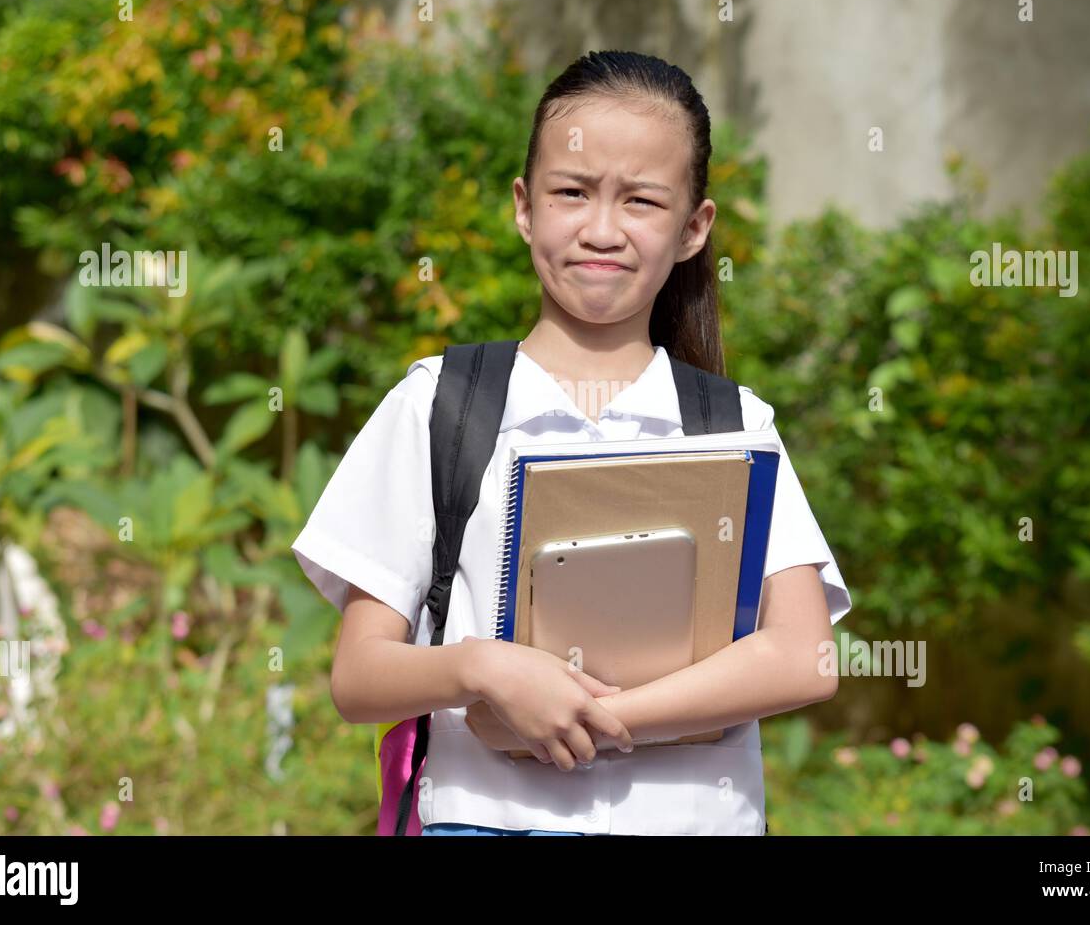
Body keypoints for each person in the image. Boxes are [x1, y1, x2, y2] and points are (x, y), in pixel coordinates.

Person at [292, 49, 852, 836]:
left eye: (642, 202)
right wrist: (482, 669)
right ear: (525, 207)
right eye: (572, 192)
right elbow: (358, 676)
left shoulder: (732, 424)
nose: (601, 229)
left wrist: (573, 719)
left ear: (694, 228)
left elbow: (804, 656)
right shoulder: (441, 406)